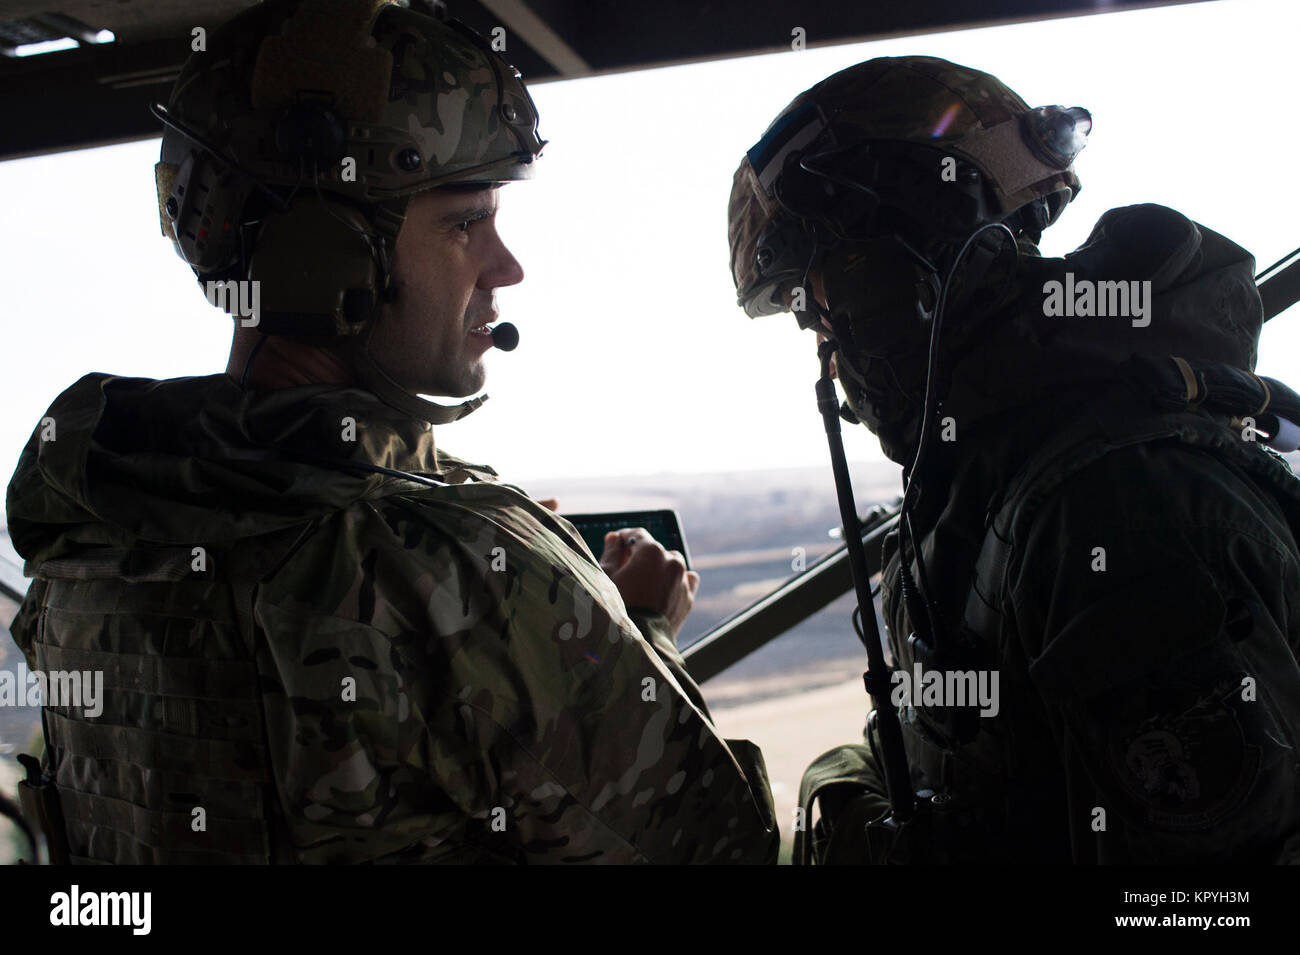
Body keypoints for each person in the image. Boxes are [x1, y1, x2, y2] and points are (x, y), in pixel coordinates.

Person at [4, 0, 777, 865]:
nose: (506, 267)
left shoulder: (87, 526)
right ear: (329, 255)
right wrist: (632, 634)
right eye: (464, 222)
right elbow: (720, 844)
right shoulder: (447, 561)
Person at [727, 55, 1300, 863]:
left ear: (899, 273)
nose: (823, 341)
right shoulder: (989, 479)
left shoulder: (1115, 514)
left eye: (816, 300)